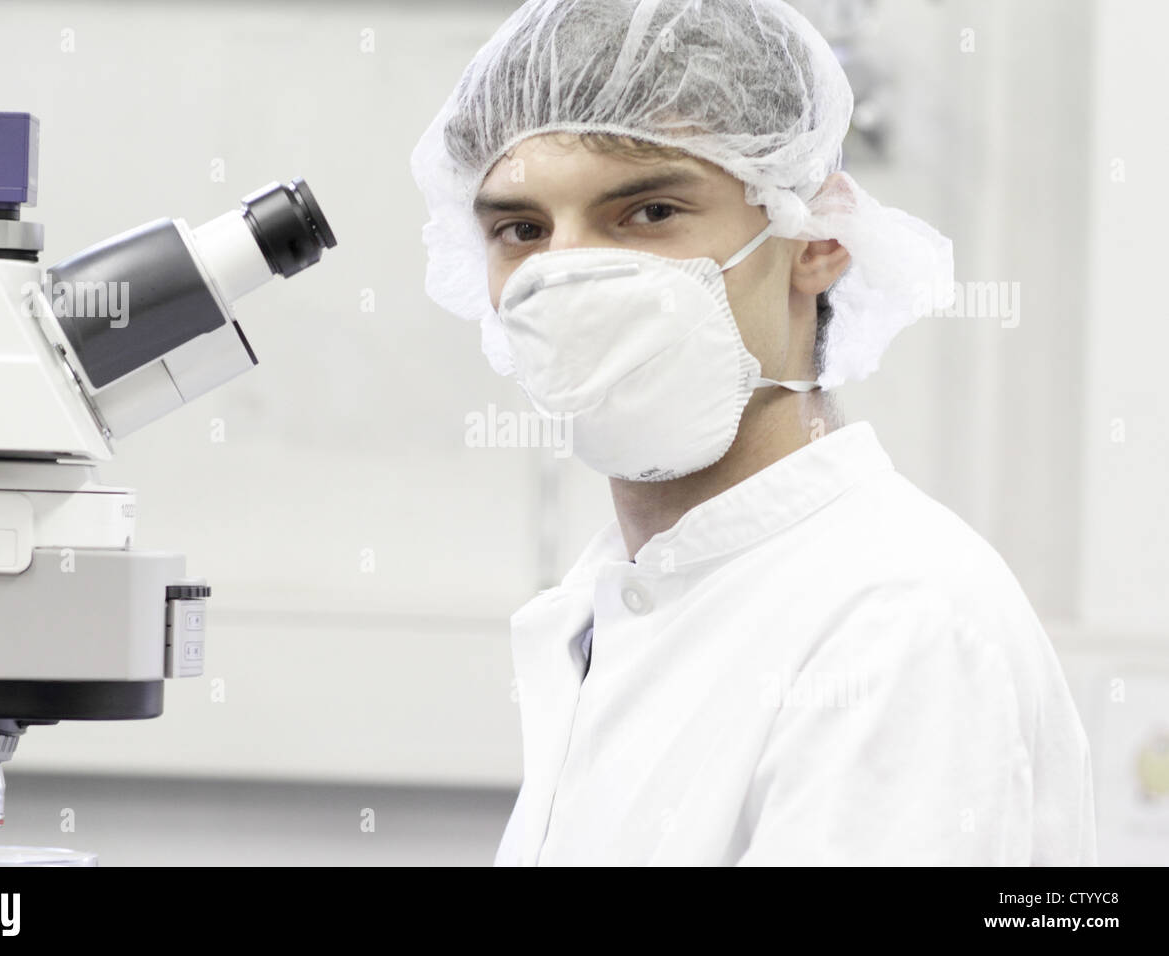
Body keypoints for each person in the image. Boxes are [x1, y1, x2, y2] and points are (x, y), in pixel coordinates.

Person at [411, 0, 1096, 865]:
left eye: (649, 212)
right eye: (521, 229)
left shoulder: (895, 623)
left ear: (816, 238)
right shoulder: (620, 605)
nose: (566, 271)